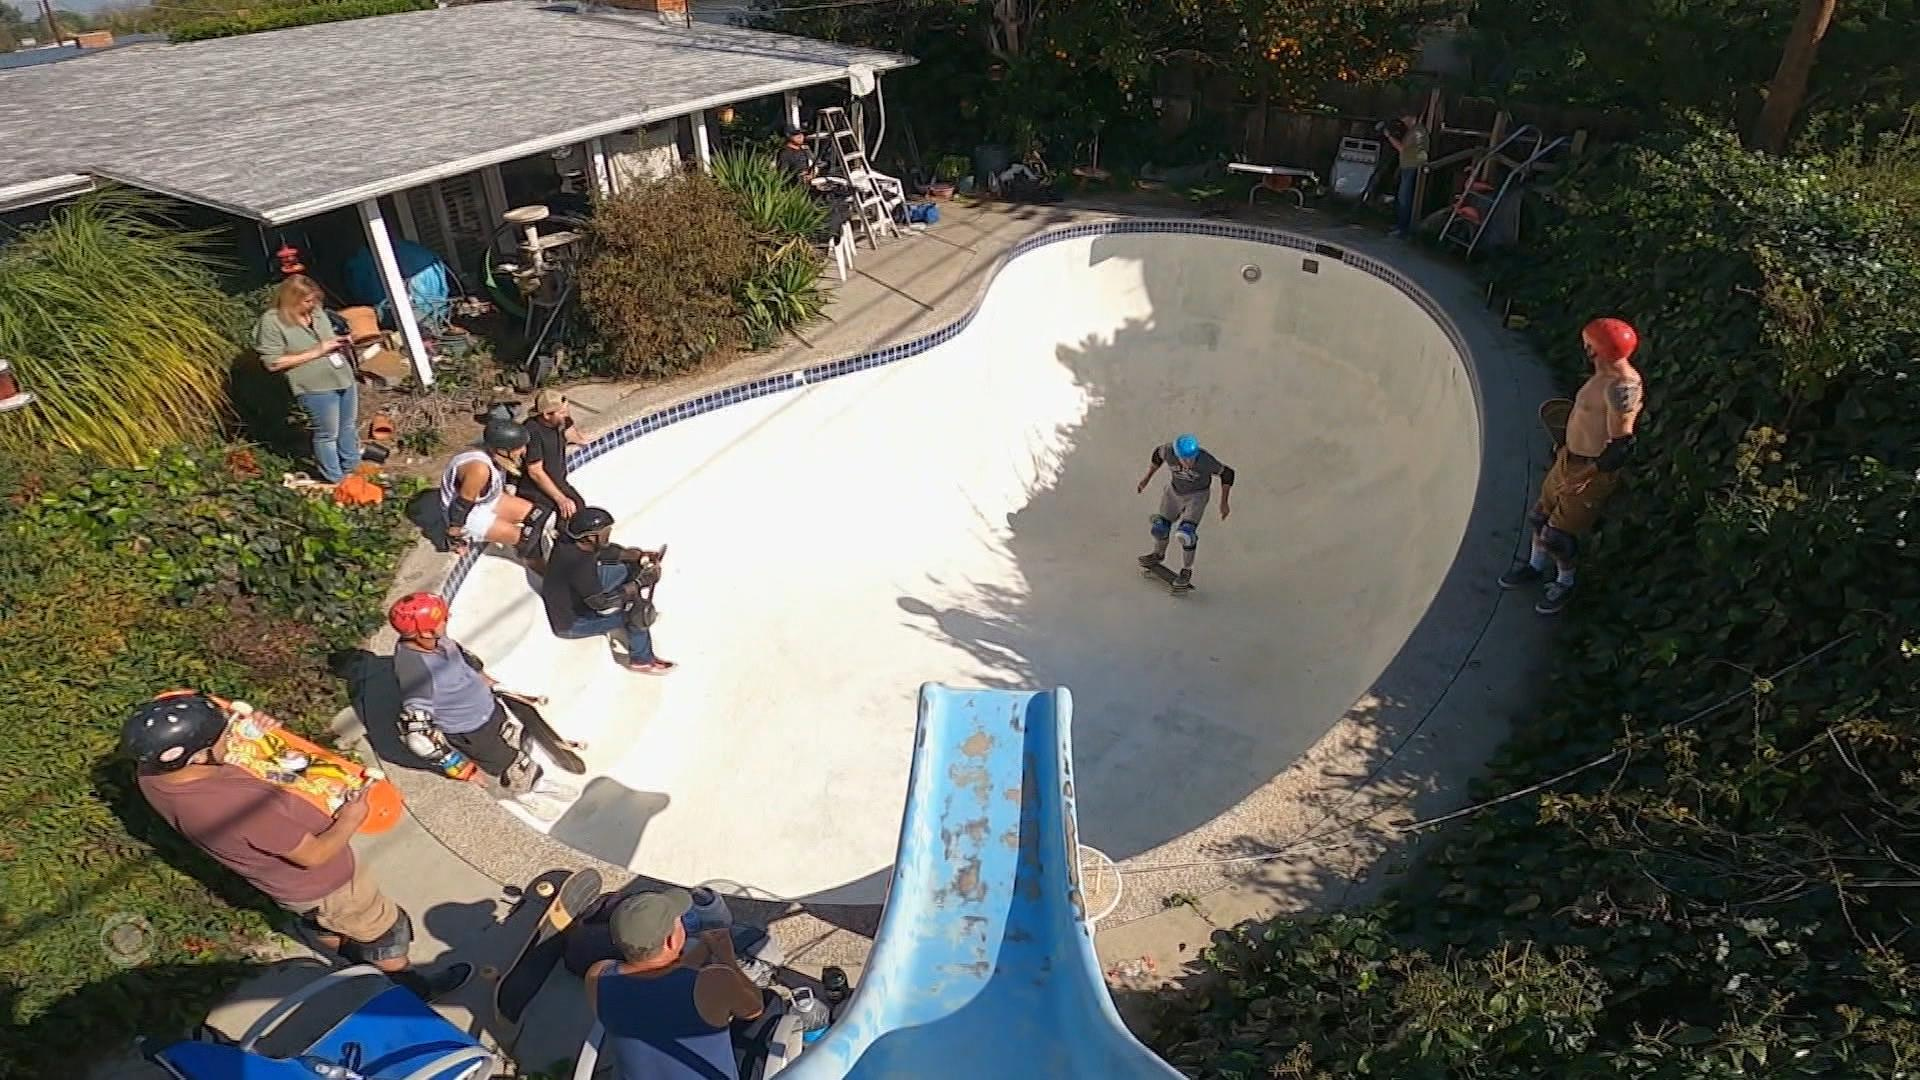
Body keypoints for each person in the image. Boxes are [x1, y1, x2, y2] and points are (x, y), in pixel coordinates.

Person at [123, 693, 471, 1000]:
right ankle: (409, 987)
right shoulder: (232, 808)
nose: (231, 735)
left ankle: (336, 941)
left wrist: (256, 739)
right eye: (223, 736)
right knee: (384, 929)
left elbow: (231, 765)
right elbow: (314, 855)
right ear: (197, 757)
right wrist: (351, 817)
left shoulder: (153, 775)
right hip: (328, 883)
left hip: (287, 887)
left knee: (325, 922)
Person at [1499, 317, 1646, 615]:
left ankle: (1565, 583)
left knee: (1557, 536)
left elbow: (1622, 447)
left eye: (1588, 344)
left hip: (1590, 469)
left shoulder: (1621, 388)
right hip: (1569, 458)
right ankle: (1534, 567)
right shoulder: (1600, 375)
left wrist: (1586, 475)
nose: (1584, 348)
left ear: (1597, 349)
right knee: (1539, 517)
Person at [388, 592, 575, 819]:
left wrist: (493, 685)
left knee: (516, 746)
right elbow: (419, 737)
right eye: (442, 619)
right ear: (425, 632)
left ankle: (535, 780)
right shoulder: (417, 672)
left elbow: (465, 659)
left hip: (489, 709)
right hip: (472, 731)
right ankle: (525, 795)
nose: (448, 619)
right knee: (511, 766)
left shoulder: (433, 640)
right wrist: (462, 769)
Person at [586, 889, 769, 1080]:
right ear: (671, 940)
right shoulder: (715, 980)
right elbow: (754, 1009)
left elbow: (658, 989)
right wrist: (728, 959)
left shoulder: (598, 975)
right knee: (771, 1005)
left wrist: (703, 949)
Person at [544, 507, 676, 675]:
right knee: (636, 615)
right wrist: (639, 583)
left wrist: (639, 556)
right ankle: (642, 660)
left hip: (579, 593)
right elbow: (600, 603)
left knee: (630, 568)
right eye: (605, 532)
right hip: (573, 622)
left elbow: (606, 551)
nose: (609, 533)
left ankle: (627, 607)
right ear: (591, 537)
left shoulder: (574, 543)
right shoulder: (579, 566)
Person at [255, 275, 361, 484]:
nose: (312, 305)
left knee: (347, 426)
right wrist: (317, 351)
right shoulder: (272, 322)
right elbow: (273, 363)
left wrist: (339, 341)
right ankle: (335, 478)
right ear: (291, 300)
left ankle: (353, 468)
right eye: (307, 301)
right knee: (327, 433)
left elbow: (326, 339)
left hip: (341, 376)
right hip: (314, 386)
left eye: (315, 300)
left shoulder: (317, 313)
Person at [440, 417, 548, 568]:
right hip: (471, 515)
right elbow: (461, 506)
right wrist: (455, 536)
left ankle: (520, 543)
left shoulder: (494, 454)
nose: (523, 451)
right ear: (502, 450)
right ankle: (540, 567)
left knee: (539, 514)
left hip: (489, 500)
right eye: (518, 448)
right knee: (527, 538)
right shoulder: (478, 470)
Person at [1137, 433, 1235, 589]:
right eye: (1185, 459)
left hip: (1197, 497)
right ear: (1177, 455)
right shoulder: (1168, 451)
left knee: (1186, 535)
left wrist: (1224, 503)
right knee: (1160, 528)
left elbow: (1228, 474)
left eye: (1192, 458)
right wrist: (1146, 478)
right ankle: (1158, 555)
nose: (1189, 462)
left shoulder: (1205, 460)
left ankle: (1186, 570)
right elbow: (1157, 454)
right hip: (1173, 493)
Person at [523, 389, 590, 521]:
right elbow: (535, 471)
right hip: (536, 488)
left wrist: (582, 441)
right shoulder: (532, 431)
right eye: (562, 413)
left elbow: (570, 432)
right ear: (547, 415)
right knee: (568, 512)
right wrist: (561, 499)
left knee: (580, 509)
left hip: (559, 481)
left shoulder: (559, 421)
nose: (566, 415)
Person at [1383, 114, 1429, 239]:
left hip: (1412, 167)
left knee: (1405, 198)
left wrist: (1389, 136)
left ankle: (1402, 229)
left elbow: (1402, 148)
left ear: (1412, 118)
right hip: (1407, 166)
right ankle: (1399, 226)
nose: (1403, 122)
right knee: (1402, 197)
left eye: (1405, 119)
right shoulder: (1412, 131)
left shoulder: (1417, 131)